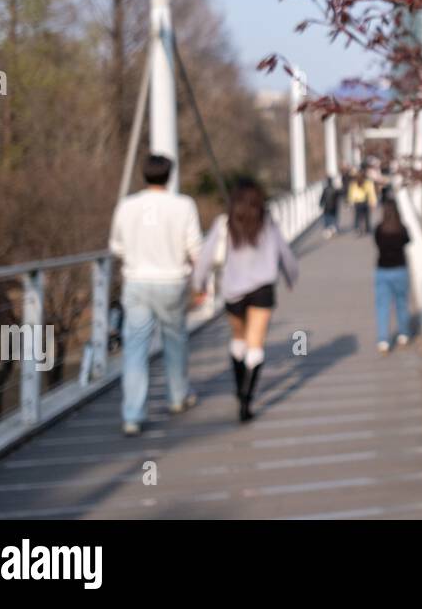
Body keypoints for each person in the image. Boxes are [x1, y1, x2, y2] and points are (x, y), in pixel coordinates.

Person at [109, 154, 203, 437]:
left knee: (135, 348)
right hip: (172, 282)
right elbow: (195, 247)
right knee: (175, 340)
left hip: (136, 282)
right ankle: (177, 397)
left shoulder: (127, 206)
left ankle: (133, 415)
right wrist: (202, 281)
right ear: (170, 175)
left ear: (144, 175)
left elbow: (116, 246)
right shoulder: (183, 205)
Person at [192, 177, 299, 422]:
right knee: (256, 344)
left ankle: (239, 388)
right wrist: (291, 277)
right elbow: (285, 254)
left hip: (233, 291)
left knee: (238, 340)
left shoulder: (224, 224)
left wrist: (198, 285)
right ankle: (246, 399)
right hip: (263, 289)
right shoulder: (267, 223)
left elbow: (205, 259)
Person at [373, 197, 412, 354]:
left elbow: (376, 243)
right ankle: (403, 334)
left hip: (382, 271)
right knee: (401, 303)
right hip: (400, 270)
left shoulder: (379, 229)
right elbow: (408, 241)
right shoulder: (401, 229)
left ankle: (383, 340)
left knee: (383, 306)